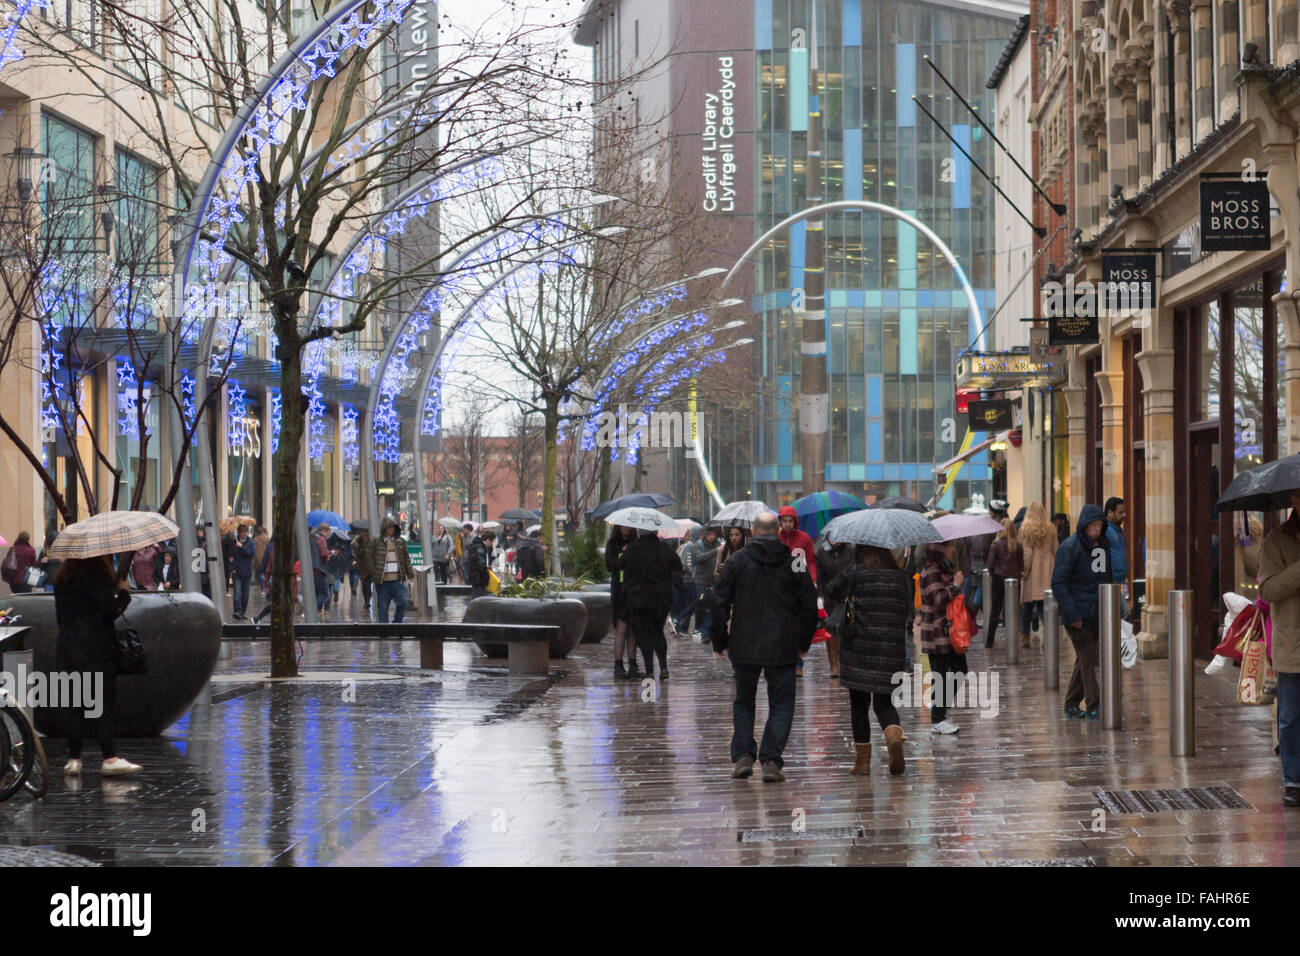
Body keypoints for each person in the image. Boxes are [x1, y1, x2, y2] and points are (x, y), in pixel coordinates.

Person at [713, 512, 818, 782]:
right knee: (782, 703)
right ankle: (771, 760)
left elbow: (719, 602)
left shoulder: (737, 560)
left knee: (744, 702)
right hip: (783, 645)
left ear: (753, 531)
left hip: (744, 643)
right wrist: (803, 642)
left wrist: (719, 640)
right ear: (777, 531)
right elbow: (809, 603)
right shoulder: (794, 561)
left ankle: (744, 755)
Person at [824, 544, 910, 775]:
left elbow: (830, 591)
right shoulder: (900, 577)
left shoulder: (855, 572)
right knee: (884, 703)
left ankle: (862, 763)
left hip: (858, 647)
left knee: (859, 705)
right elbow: (907, 611)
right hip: (891, 649)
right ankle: (892, 734)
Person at [54, 555, 141, 777]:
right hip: (96, 650)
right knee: (101, 705)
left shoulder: (61, 581)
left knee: (73, 705)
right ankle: (109, 758)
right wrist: (123, 593)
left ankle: (74, 759)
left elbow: (60, 617)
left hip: (68, 649)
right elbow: (110, 612)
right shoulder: (98, 576)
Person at [1051, 504, 1113, 720]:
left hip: (1096, 612)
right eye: (1093, 525)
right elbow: (1059, 582)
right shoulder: (1070, 547)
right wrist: (1073, 614)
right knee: (1088, 658)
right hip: (1077, 615)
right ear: (1084, 526)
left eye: (1099, 525)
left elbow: (1105, 578)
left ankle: (1071, 704)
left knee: (1083, 660)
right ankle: (1094, 704)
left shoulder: (1102, 546)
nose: (1096, 528)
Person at [1258, 490, 1300, 807]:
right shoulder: (1276, 540)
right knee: (1290, 717)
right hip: (1292, 643)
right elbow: (1268, 590)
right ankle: (1294, 781)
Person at [917, 539, 966, 734]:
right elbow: (938, 599)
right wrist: (956, 585)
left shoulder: (946, 567)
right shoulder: (930, 571)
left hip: (950, 630)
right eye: (950, 546)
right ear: (940, 549)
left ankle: (938, 706)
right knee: (941, 675)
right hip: (937, 631)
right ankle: (938, 719)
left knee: (960, 670)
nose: (953, 549)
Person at [620, 527, 682, 680]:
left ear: (640, 532)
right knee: (658, 632)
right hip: (661, 598)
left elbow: (621, 567)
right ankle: (663, 667)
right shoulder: (665, 549)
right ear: (655, 532)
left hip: (639, 598)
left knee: (644, 634)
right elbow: (678, 569)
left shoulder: (632, 550)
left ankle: (649, 671)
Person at [778, 505, 824, 676]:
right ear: (780, 522)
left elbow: (811, 560)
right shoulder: (776, 537)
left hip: (799, 584)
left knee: (798, 623)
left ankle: (798, 660)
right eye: (785, 521)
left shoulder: (804, 538)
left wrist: (812, 580)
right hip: (781, 586)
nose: (788, 524)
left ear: (795, 522)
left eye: (790, 521)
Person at [1018, 502, 1059, 648]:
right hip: (1047, 569)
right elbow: (1056, 550)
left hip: (1032, 573)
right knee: (1043, 607)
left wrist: (1025, 571)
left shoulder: (1025, 528)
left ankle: (1025, 638)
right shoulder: (1051, 528)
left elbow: (1027, 553)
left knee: (1027, 607)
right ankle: (1048, 635)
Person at [984, 518, 1023, 649]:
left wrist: (993, 574)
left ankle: (989, 641)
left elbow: (990, 564)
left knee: (995, 609)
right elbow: (1021, 564)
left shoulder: (996, 544)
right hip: (1014, 579)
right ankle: (1013, 640)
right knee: (1013, 610)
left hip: (999, 579)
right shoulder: (1017, 545)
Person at [606, 525, 639, 679]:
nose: (626, 529)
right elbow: (610, 565)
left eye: (629, 527)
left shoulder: (636, 544)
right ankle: (618, 664)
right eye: (623, 526)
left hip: (634, 591)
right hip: (620, 592)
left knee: (633, 629)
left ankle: (633, 663)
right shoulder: (613, 544)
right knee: (621, 628)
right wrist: (623, 555)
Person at [368, 518, 415, 623]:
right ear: (384, 528)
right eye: (389, 527)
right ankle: (384, 630)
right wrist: (373, 572)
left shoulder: (400, 541)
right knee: (383, 606)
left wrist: (410, 573)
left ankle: (397, 623)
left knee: (403, 601)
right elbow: (369, 557)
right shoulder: (376, 541)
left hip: (397, 579)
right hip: (382, 580)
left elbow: (406, 558)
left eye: (393, 527)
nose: (391, 529)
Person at [683, 526, 721, 642]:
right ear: (704, 535)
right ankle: (691, 626)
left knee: (710, 608)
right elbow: (699, 558)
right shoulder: (697, 545)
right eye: (709, 534)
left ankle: (706, 634)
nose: (711, 537)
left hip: (713, 581)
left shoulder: (718, 544)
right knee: (700, 607)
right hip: (700, 582)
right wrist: (716, 551)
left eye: (713, 534)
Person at [1103, 496, 1130, 615]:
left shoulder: (1119, 530)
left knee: (1119, 612)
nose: (1124, 515)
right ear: (1110, 512)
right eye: (1120, 512)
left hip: (1120, 581)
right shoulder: (1105, 531)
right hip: (1111, 580)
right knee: (1123, 611)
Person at [670, 530, 698, 637]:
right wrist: (694, 575)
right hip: (689, 580)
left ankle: (682, 627)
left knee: (688, 604)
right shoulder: (690, 547)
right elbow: (688, 564)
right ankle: (678, 620)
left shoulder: (689, 546)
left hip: (685, 579)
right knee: (694, 603)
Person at [229, 525, 255, 619]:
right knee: (237, 593)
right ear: (239, 533)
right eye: (242, 532)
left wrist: (242, 547)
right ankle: (237, 611)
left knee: (245, 594)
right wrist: (232, 569)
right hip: (237, 572)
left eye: (246, 532)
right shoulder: (234, 542)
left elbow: (251, 553)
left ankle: (243, 612)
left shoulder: (250, 542)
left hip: (247, 572)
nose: (244, 534)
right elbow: (230, 557)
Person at [308, 523, 334, 615]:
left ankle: (316, 613)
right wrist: (329, 556)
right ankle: (311, 611)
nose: (327, 535)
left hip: (310, 569)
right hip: (319, 569)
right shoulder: (321, 538)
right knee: (325, 593)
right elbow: (323, 555)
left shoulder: (311, 537)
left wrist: (329, 551)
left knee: (315, 593)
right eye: (327, 533)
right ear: (324, 531)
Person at [464, 529, 494, 599]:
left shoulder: (477, 546)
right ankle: (473, 610)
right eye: (491, 541)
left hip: (475, 577)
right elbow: (481, 566)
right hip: (479, 578)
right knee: (478, 598)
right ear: (487, 540)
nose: (491, 543)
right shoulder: (480, 549)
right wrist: (487, 571)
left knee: (477, 597)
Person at [352, 528, 372, 611]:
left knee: (368, 585)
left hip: (371, 567)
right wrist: (357, 545)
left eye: (366, 536)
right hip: (362, 568)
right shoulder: (358, 543)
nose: (364, 537)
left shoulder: (372, 542)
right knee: (365, 586)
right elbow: (357, 554)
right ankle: (366, 602)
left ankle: (368, 602)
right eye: (363, 536)